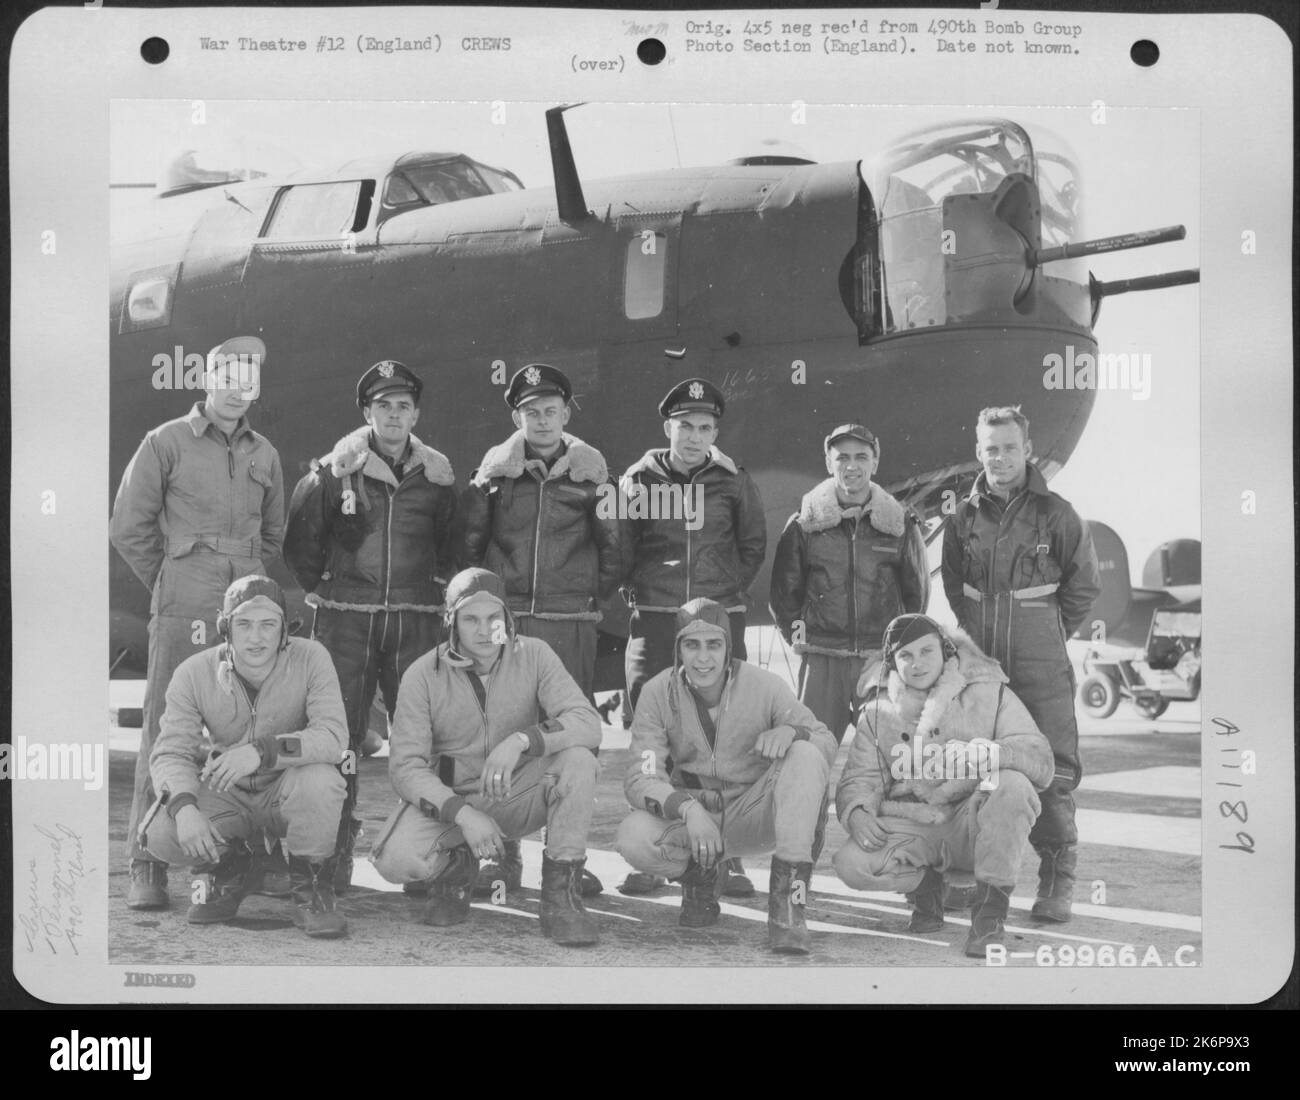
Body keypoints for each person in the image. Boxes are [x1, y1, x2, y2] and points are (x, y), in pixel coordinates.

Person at [111, 335, 284, 910]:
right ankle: (148, 861)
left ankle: (246, 853)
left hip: (244, 611)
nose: (238, 390)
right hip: (184, 600)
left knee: (245, 723)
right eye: (228, 377)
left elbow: (273, 535)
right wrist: (171, 582)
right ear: (206, 379)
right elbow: (128, 527)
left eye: (249, 380)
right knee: (166, 727)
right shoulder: (165, 443)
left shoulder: (265, 454)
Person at [283, 360, 460, 892]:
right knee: (343, 736)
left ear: (416, 414)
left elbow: (453, 546)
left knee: (420, 737)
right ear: (367, 412)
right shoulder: (333, 473)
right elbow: (301, 544)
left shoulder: (436, 477)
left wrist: (426, 593)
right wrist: (333, 589)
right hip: (347, 624)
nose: (393, 415)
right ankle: (335, 848)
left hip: (413, 621)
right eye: (383, 406)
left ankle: (428, 851)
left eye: (403, 406)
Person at [372, 568, 604, 947]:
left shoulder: (535, 655)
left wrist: (522, 741)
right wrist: (462, 814)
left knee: (578, 759)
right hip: (455, 804)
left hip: (516, 793)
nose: (484, 630)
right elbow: (405, 768)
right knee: (393, 859)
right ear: (452, 623)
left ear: (508, 620)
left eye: (494, 618)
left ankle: (561, 897)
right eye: (470, 619)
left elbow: (586, 723)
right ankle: (455, 870)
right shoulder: (422, 675)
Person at [460, 363, 621, 899]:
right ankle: (501, 859)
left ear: (566, 414)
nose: (543, 420)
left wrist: (578, 595)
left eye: (551, 410)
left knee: (569, 731)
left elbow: (614, 548)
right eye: (531, 412)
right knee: (503, 727)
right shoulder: (493, 476)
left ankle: (566, 852)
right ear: (517, 416)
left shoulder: (593, 475)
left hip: (569, 620)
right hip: (510, 622)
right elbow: (471, 545)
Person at [941, 406, 1101, 922]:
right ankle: (968, 874)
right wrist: (980, 645)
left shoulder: (1057, 513)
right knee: (974, 762)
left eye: (1010, 447)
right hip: (983, 665)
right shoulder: (963, 519)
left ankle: (1057, 878)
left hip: (1041, 666)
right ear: (978, 451)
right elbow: (953, 589)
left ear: (1027, 449)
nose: (1001, 457)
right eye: (991, 448)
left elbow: (1083, 588)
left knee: (1050, 768)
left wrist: (1046, 636)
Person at [616, 598, 836, 954]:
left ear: (729, 647)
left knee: (807, 753)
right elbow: (640, 777)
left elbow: (824, 738)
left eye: (714, 645)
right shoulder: (658, 692)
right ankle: (702, 877)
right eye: (692, 645)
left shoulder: (765, 686)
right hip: (697, 816)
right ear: (678, 649)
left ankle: (788, 908)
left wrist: (793, 733)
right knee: (633, 836)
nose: (703, 658)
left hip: (754, 813)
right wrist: (687, 809)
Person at [618, 378, 767, 897]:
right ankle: (651, 852)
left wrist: (718, 600)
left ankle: (729, 854)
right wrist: (648, 595)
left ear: (715, 432)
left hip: (715, 622)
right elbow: (622, 549)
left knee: (722, 734)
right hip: (656, 620)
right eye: (685, 426)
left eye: (705, 427)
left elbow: (751, 546)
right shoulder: (638, 479)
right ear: (668, 428)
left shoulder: (732, 481)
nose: (695, 436)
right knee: (649, 733)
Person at [139, 576, 350, 938]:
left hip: (287, 788)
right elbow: (171, 751)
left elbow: (332, 736)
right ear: (226, 628)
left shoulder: (312, 658)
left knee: (322, 779)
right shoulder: (193, 673)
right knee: (161, 831)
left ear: (286, 629)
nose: (257, 637)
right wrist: (185, 808)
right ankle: (234, 866)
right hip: (229, 792)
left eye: (269, 624)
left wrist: (262, 752)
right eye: (244, 624)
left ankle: (311, 886)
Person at [832, 614, 1053, 957]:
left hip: (974, 822)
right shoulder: (877, 713)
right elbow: (859, 778)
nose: (917, 664)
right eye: (905, 656)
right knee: (850, 864)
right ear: (892, 662)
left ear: (947, 651)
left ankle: (989, 917)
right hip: (918, 827)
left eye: (926, 651)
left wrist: (991, 753)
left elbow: (1040, 758)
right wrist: (858, 811)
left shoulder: (990, 693)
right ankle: (926, 886)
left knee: (1013, 785)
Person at [770, 422, 930, 742]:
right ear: (829, 463)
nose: (851, 466)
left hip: (878, 661)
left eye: (861, 456)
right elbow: (784, 594)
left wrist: (894, 648)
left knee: (888, 753)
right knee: (809, 752)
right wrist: (807, 639)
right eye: (842, 457)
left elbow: (917, 596)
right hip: (822, 662)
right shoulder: (804, 524)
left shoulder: (899, 524)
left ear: (875, 462)